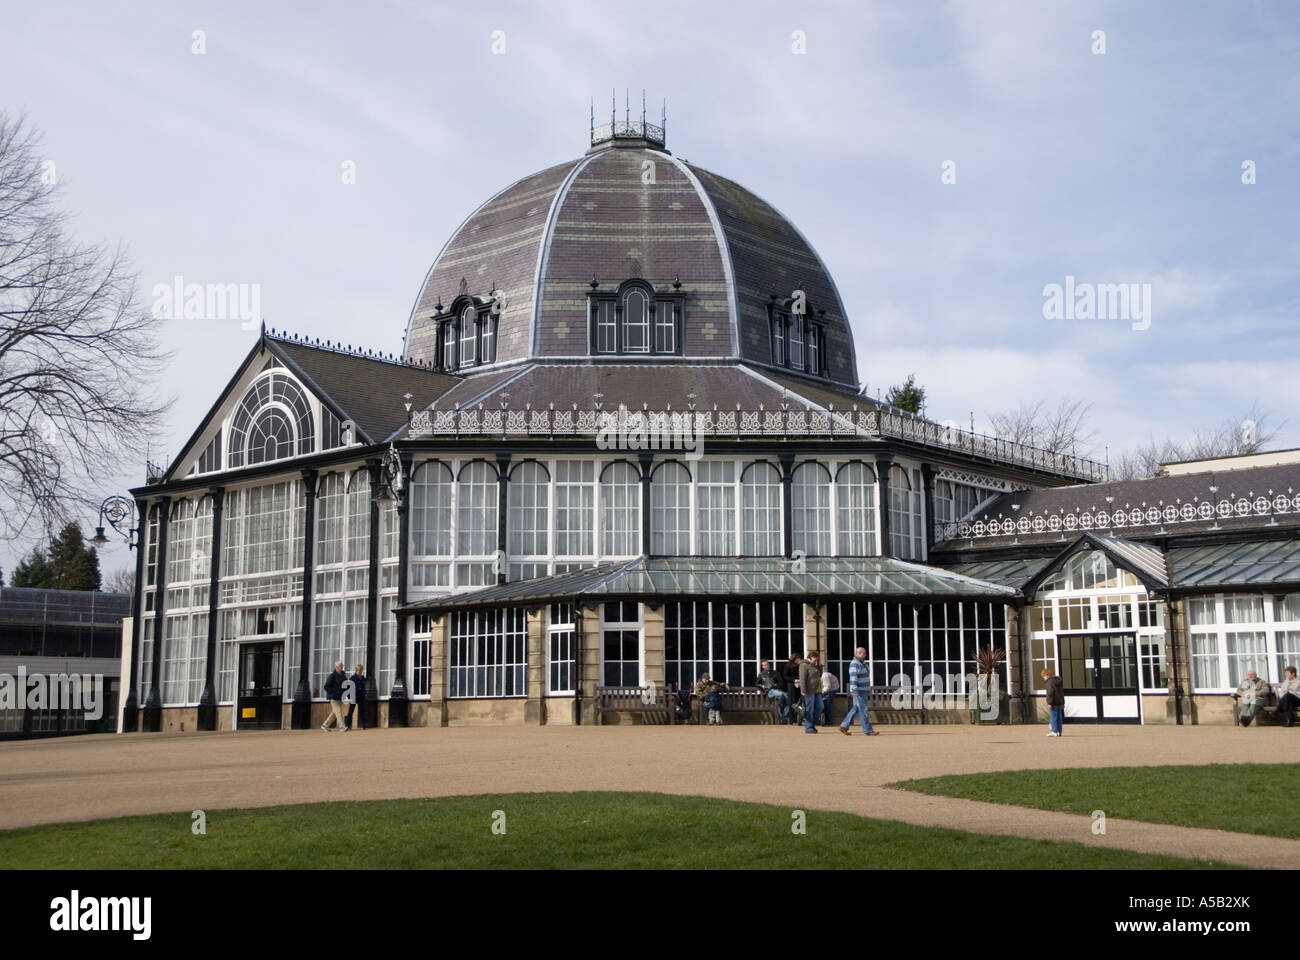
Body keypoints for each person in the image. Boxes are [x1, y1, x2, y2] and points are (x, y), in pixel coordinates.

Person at [840, 646, 879, 736]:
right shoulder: (855, 663)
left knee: (856, 709)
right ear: (858, 653)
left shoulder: (862, 663)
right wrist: (854, 690)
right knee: (863, 710)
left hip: (863, 690)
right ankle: (867, 730)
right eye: (864, 653)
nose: (865, 655)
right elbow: (853, 677)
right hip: (859, 691)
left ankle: (844, 726)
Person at [758, 659, 790, 723]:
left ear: (769, 664)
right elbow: (756, 683)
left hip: (777, 690)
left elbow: (781, 683)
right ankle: (783, 714)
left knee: (788, 699)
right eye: (764, 665)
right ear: (762, 667)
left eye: (767, 664)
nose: (766, 666)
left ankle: (784, 719)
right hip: (769, 691)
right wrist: (761, 685)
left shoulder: (776, 673)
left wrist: (776, 685)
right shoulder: (761, 674)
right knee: (783, 695)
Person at [799, 652, 824, 733]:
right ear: (810, 657)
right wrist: (803, 690)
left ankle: (812, 725)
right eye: (814, 657)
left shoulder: (815, 666)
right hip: (808, 690)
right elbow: (802, 678)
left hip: (817, 690)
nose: (816, 659)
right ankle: (808, 727)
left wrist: (819, 667)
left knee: (820, 707)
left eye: (817, 657)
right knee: (809, 709)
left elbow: (819, 676)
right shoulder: (804, 665)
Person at [321, 661, 348, 732]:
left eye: (342, 666)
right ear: (336, 667)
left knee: (334, 713)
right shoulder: (332, 676)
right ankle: (342, 727)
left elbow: (346, 686)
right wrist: (334, 692)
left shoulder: (344, 676)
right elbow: (326, 687)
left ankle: (325, 725)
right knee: (338, 711)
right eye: (340, 666)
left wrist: (348, 695)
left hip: (340, 697)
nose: (342, 667)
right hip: (333, 698)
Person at [781, 653, 804, 725]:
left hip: (800, 685)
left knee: (799, 702)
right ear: (794, 659)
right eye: (798, 659)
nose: (799, 660)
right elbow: (785, 676)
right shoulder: (788, 666)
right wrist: (794, 680)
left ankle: (799, 718)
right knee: (792, 702)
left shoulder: (801, 666)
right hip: (791, 685)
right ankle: (792, 719)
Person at [345, 663, 368, 730]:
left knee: (362, 711)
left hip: (361, 697)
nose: (360, 672)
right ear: (356, 670)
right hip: (353, 696)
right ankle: (347, 725)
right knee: (351, 711)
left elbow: (364, 687)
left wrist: (364, 693)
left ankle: (364, 724)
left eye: (361, 670)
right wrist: (349, 697)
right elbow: (348, 688)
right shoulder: (352, 678)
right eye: (359, 670)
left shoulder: (363, 678)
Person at [1043, 667, 1064, 737]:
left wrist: (1049, 702)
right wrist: (1062, 702)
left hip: (1053, 702)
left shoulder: (1049, 682)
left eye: (1044, 676)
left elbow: (1050, 693)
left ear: (1046, 675)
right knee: (1059, 717)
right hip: (1059, 702)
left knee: (1053, 717)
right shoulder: (1057, 681)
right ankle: (1059, 731)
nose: (1044, 678)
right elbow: (1061, 693)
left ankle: (1054, 731)